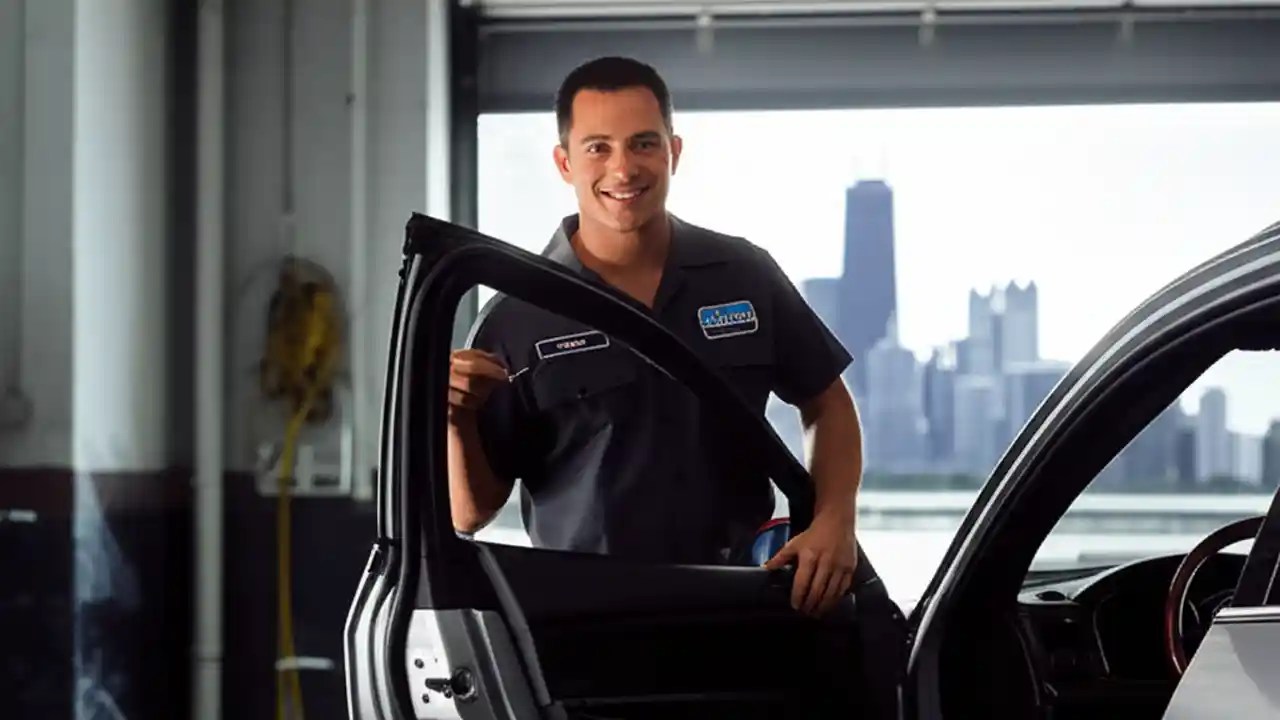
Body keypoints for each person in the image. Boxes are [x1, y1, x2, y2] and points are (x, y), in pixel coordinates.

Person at [446, 56, 867, 618]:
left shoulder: (743, 273)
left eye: (644, 144)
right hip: (588, 620)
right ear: (564, 162)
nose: (623, 170)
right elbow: (470, 514)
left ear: (674, 151)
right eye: (598, 147)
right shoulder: (516, 316)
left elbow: (828, 402)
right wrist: (455, 419)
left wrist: (835, 520)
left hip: (745, 602)